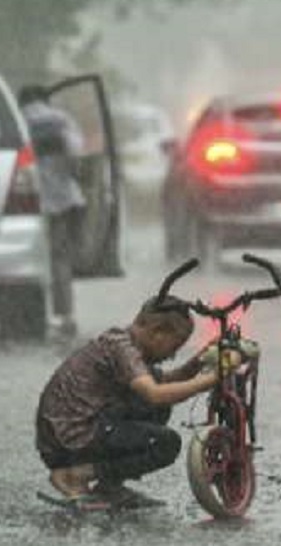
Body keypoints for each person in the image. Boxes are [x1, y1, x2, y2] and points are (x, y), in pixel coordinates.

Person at [34, 295, 238, 507]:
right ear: (158, 332)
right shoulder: (124, 349)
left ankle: (108, 486)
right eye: (175, 345)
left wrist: (199, 361)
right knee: (166, 443)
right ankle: (75, 476)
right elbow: (155, 393)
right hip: (71, 439)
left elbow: (164, 382)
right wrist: (212, 379)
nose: (173, 355)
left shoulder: (122, 341)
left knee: (156, 410)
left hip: (66, 436)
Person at [18, 84, 84, 340]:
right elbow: (76, 154)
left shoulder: (18, 118)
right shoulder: (61, 119)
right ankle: (64, 316)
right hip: (63, 200)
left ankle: (29, 317)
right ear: (45, 99)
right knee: (60, 259)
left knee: (29, 262)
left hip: (26, 203)